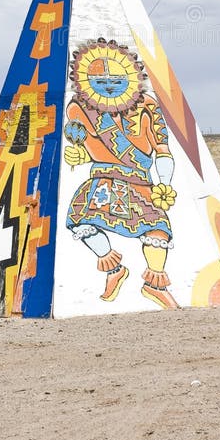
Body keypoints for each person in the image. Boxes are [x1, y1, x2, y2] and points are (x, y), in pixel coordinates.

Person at [64, 37, 179, 309]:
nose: (109, 85)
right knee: (82, 221)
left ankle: (155, 286)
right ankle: (114, 270)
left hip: (140, 180)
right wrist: (80, 155)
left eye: (116, 80)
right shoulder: (80, 108)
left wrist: (165, 183)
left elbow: (161, 148)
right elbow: (89, 146)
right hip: (104, 179)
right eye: (100, 80)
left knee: (157, 230)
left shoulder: (147, 105)